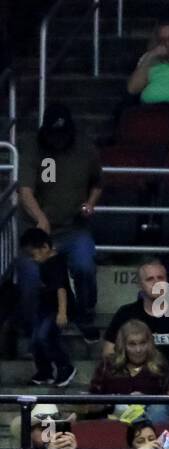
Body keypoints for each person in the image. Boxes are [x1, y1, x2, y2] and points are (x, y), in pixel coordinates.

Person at [17, 104, 100, 345]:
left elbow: (98, 183)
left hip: (74, 227)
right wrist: (40, 218)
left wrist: (90, 203)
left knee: (85, 265)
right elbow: (25, 191)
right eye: (54, 135)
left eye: (62, 135)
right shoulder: (33, 147)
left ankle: (84, 314)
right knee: (31, 275)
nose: (58, 140)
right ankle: (32, 328)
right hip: (37, 233)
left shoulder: (85, 148)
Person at [18, 229, 76, 388]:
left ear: (45, 247)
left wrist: (62, 312)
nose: (33, 259)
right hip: (44, 307)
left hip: (56, 309)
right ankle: (45, 371)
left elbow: (61, 289)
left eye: (34, 254)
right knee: (36, 339)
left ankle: (65, 366)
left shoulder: (56, 263)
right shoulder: (44, 263)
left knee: (45, 336)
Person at [89, 320, 169, 417]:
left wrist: (147, 401)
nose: (138, 350)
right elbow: (92, 403)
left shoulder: (160, 366)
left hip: (152, 420)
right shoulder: (107, 365)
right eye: (132, 344)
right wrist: (115, 401)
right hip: (114, 422)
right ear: (123, 345)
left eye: (143, 343)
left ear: (149, 343)